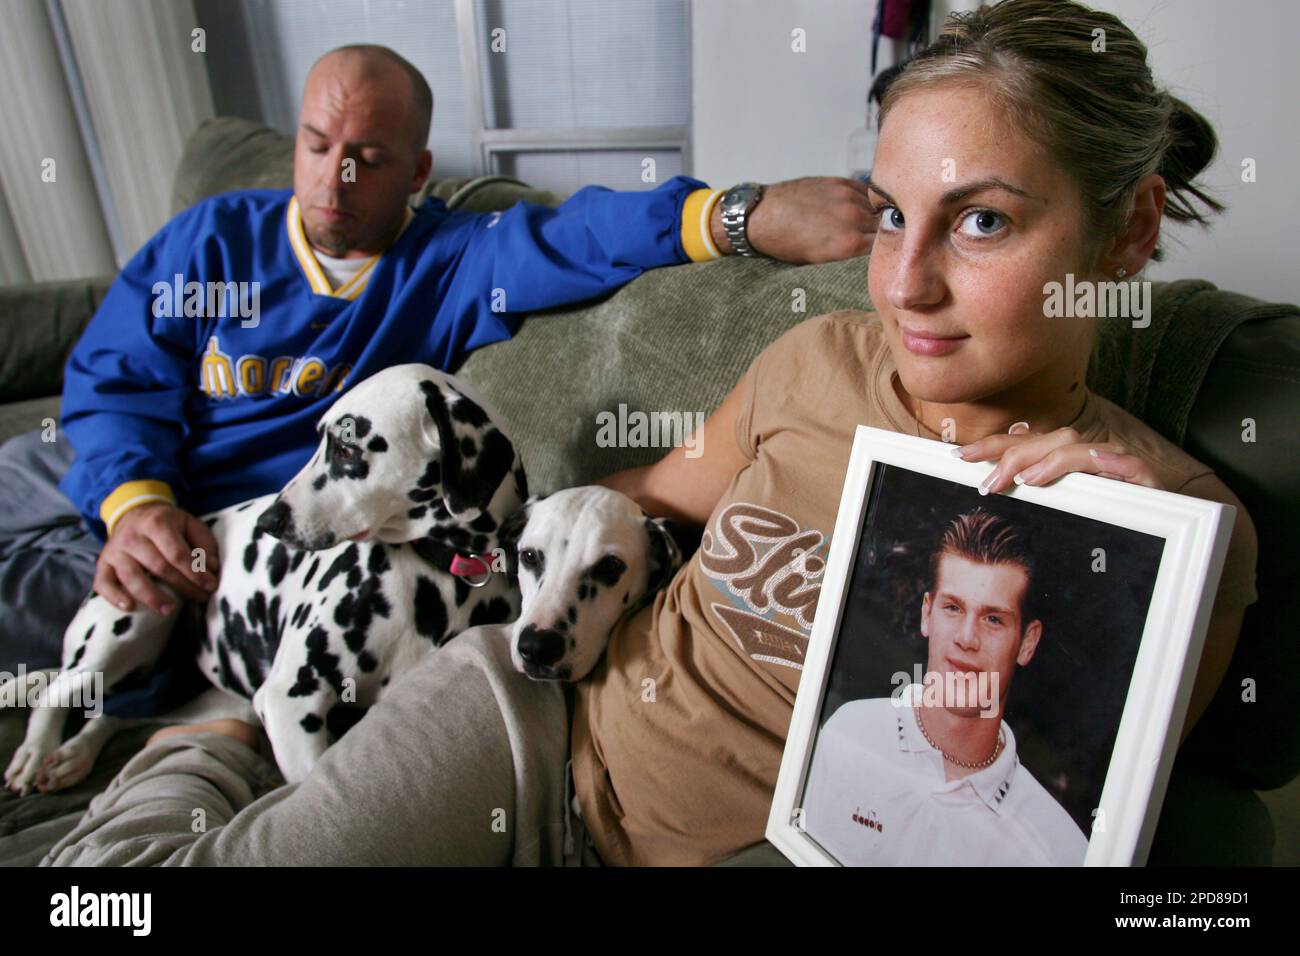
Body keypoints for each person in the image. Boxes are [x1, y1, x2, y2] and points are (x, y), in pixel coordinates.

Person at [40, 0, 1257, 867]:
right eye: (890, 215)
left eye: (980, 223)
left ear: (1127, 232)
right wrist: (488, 567)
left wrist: (1115, 554)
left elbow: (1051, 813)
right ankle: (207, 743)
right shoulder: (816, 361)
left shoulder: (1178, 530)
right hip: (527, 725)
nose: (903, 283)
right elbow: (640, 496)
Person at [0, 43, 876, 706]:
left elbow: (580, 235)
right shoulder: (214, 238)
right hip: (125, 482)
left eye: (369, 159)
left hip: (237, 548)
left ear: (417, 173)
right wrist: (134, 500)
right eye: (315, 145)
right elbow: (116, 376)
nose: (332, 179)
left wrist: (743, 213)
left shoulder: (451, 262)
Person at [801, 509, 1089, 866]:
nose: (967, 638)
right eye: (953, 608)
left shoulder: (1062, 850)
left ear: (1027, 642)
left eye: (993, 619)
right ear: (927, 614)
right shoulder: (848, 732)